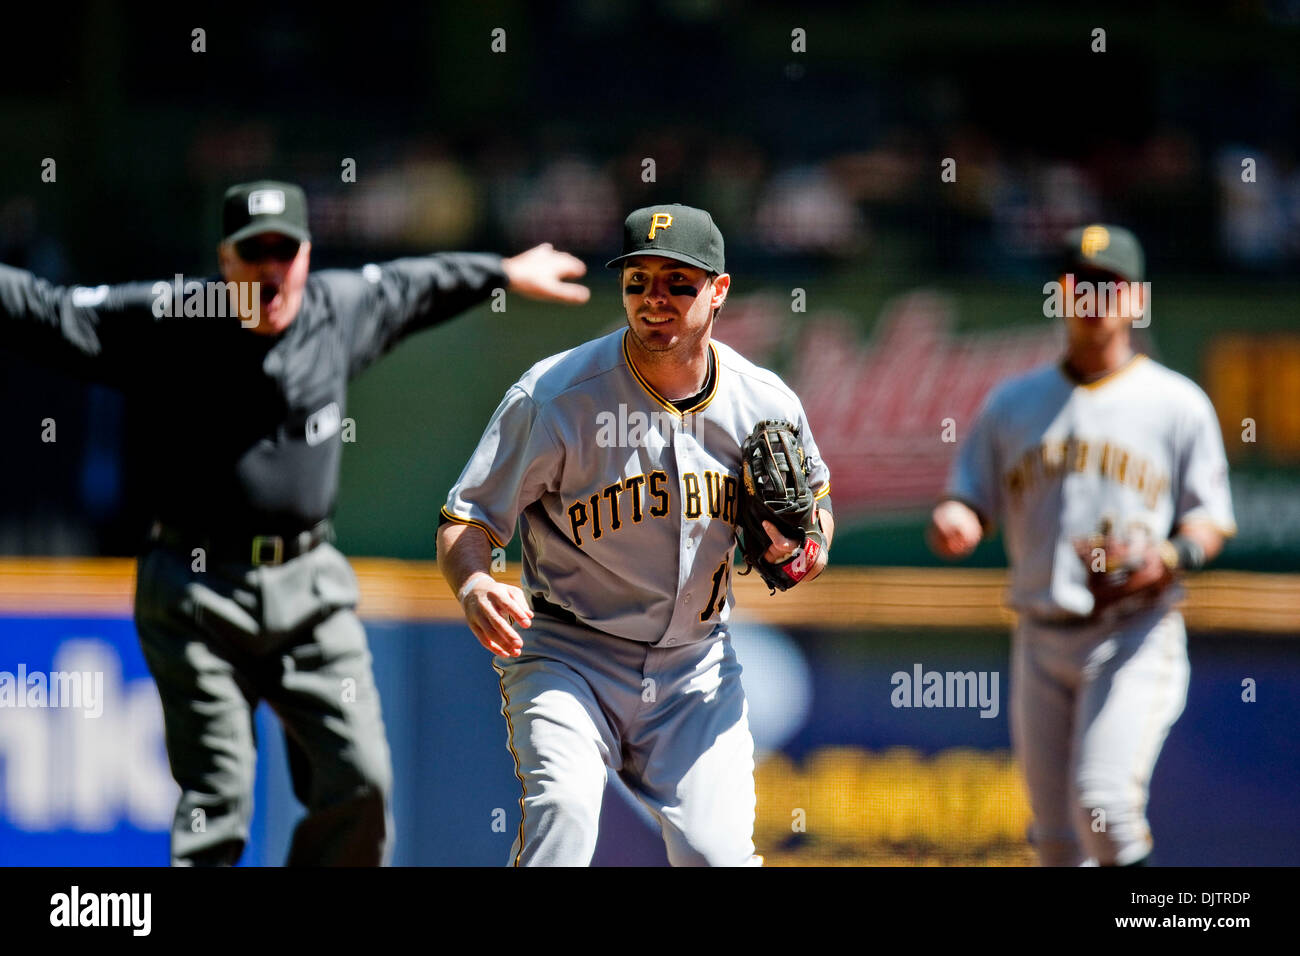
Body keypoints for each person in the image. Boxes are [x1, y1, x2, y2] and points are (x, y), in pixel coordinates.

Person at [0, 179, 589, 865]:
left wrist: (504, 272)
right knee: (218, 803)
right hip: (195, 591)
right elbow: (50, 309)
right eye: (254, 254)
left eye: (285, 250)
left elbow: (415, 282)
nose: (270, 268)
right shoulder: (176, 317)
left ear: (307, 256)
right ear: (225, 262)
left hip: (309, 584)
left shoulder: (338, 310)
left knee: (361, 785)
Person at [437, 203, 834, 866]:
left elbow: (817, 510)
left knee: (716, 855)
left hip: (695, 667)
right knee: (562, 821)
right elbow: (468, 518)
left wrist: (805, 551)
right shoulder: (555, 396)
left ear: (719, 290)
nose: (656, 299)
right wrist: (474, 579)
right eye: (637, 281)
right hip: (570, 654)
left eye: (679, 282)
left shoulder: (762, 401)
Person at [928, 224, 1235, 866]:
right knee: (1055, 840)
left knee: (1103, 807)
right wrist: (958, 517)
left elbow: (1211, 522)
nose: (1094, 297)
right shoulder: (1014, 402)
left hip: (1133, 631)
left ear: (1137, 299)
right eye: (1080, 284)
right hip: (1039, 632)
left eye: (1109, 285)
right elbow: (970, 497)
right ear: (1060, 295)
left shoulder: (1177, 403)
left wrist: (1169, 557)